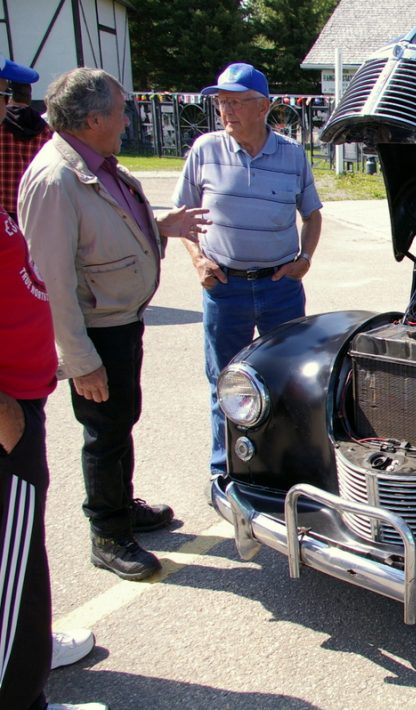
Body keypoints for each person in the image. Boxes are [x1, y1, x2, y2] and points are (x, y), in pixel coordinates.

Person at [18, 68, 207, 582]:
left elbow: (109, 229)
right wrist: (80, 361)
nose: (128, 117)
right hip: (96, 331)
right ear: (95, 118)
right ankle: (107, 533)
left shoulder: (94, 164)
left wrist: (161, 227)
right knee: (103, 431)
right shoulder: (56, 178)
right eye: (122, 109)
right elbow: (49, 281)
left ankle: (120, 505)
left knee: (120, 420)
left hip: (119, 321)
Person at [1, 56, 104, 710]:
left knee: (22, 565)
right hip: (5, 410)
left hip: (23, 396)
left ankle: (27, 654)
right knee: (13, 574)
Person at [173, 62, 322, 481]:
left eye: (237, 102)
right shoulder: (205, 150)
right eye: (222, 102)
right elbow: (182, 219)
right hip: (225, 287)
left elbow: (312, 215)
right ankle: (226, 471)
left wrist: (305, 260)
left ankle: (284, 468)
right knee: (225, 383)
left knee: (289, 379)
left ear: (265, 107)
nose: (227, 110)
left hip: (280, 288)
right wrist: (199, 261)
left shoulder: (292, 155)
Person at [1, 74, 52, 223]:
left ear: (9, 96)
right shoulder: (46, 130)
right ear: (29, 98)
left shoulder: (1, 124)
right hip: (32, 203)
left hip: (3, 205)